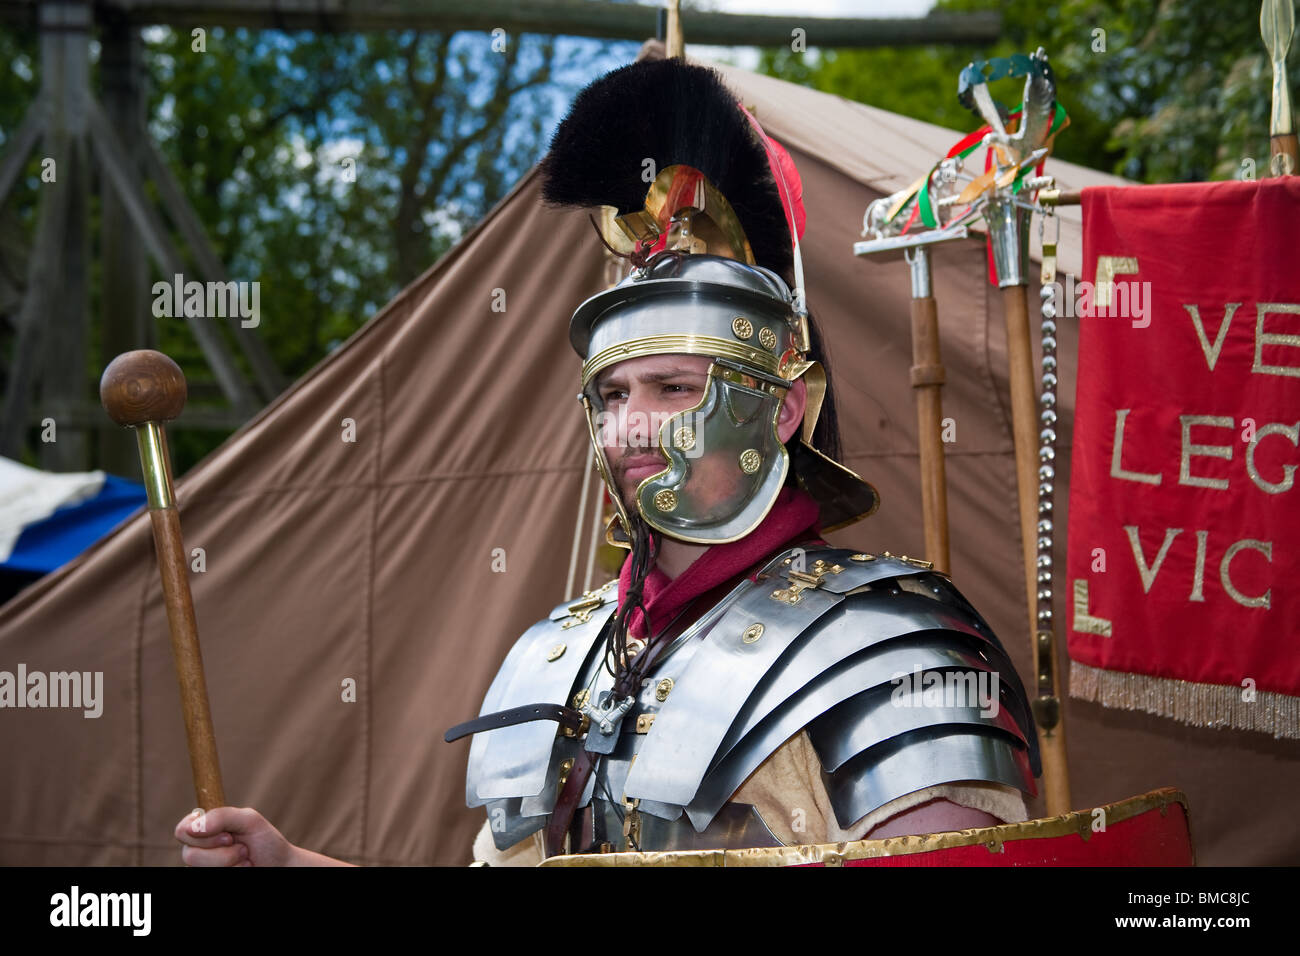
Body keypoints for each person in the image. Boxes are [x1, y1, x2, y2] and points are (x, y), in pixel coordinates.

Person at [174, 56, 1039, 868]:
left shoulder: (890, 650)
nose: (630, 427)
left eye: (670, 387)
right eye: (612, 394)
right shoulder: (570, 652)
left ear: (782, 410)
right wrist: (292, 863)